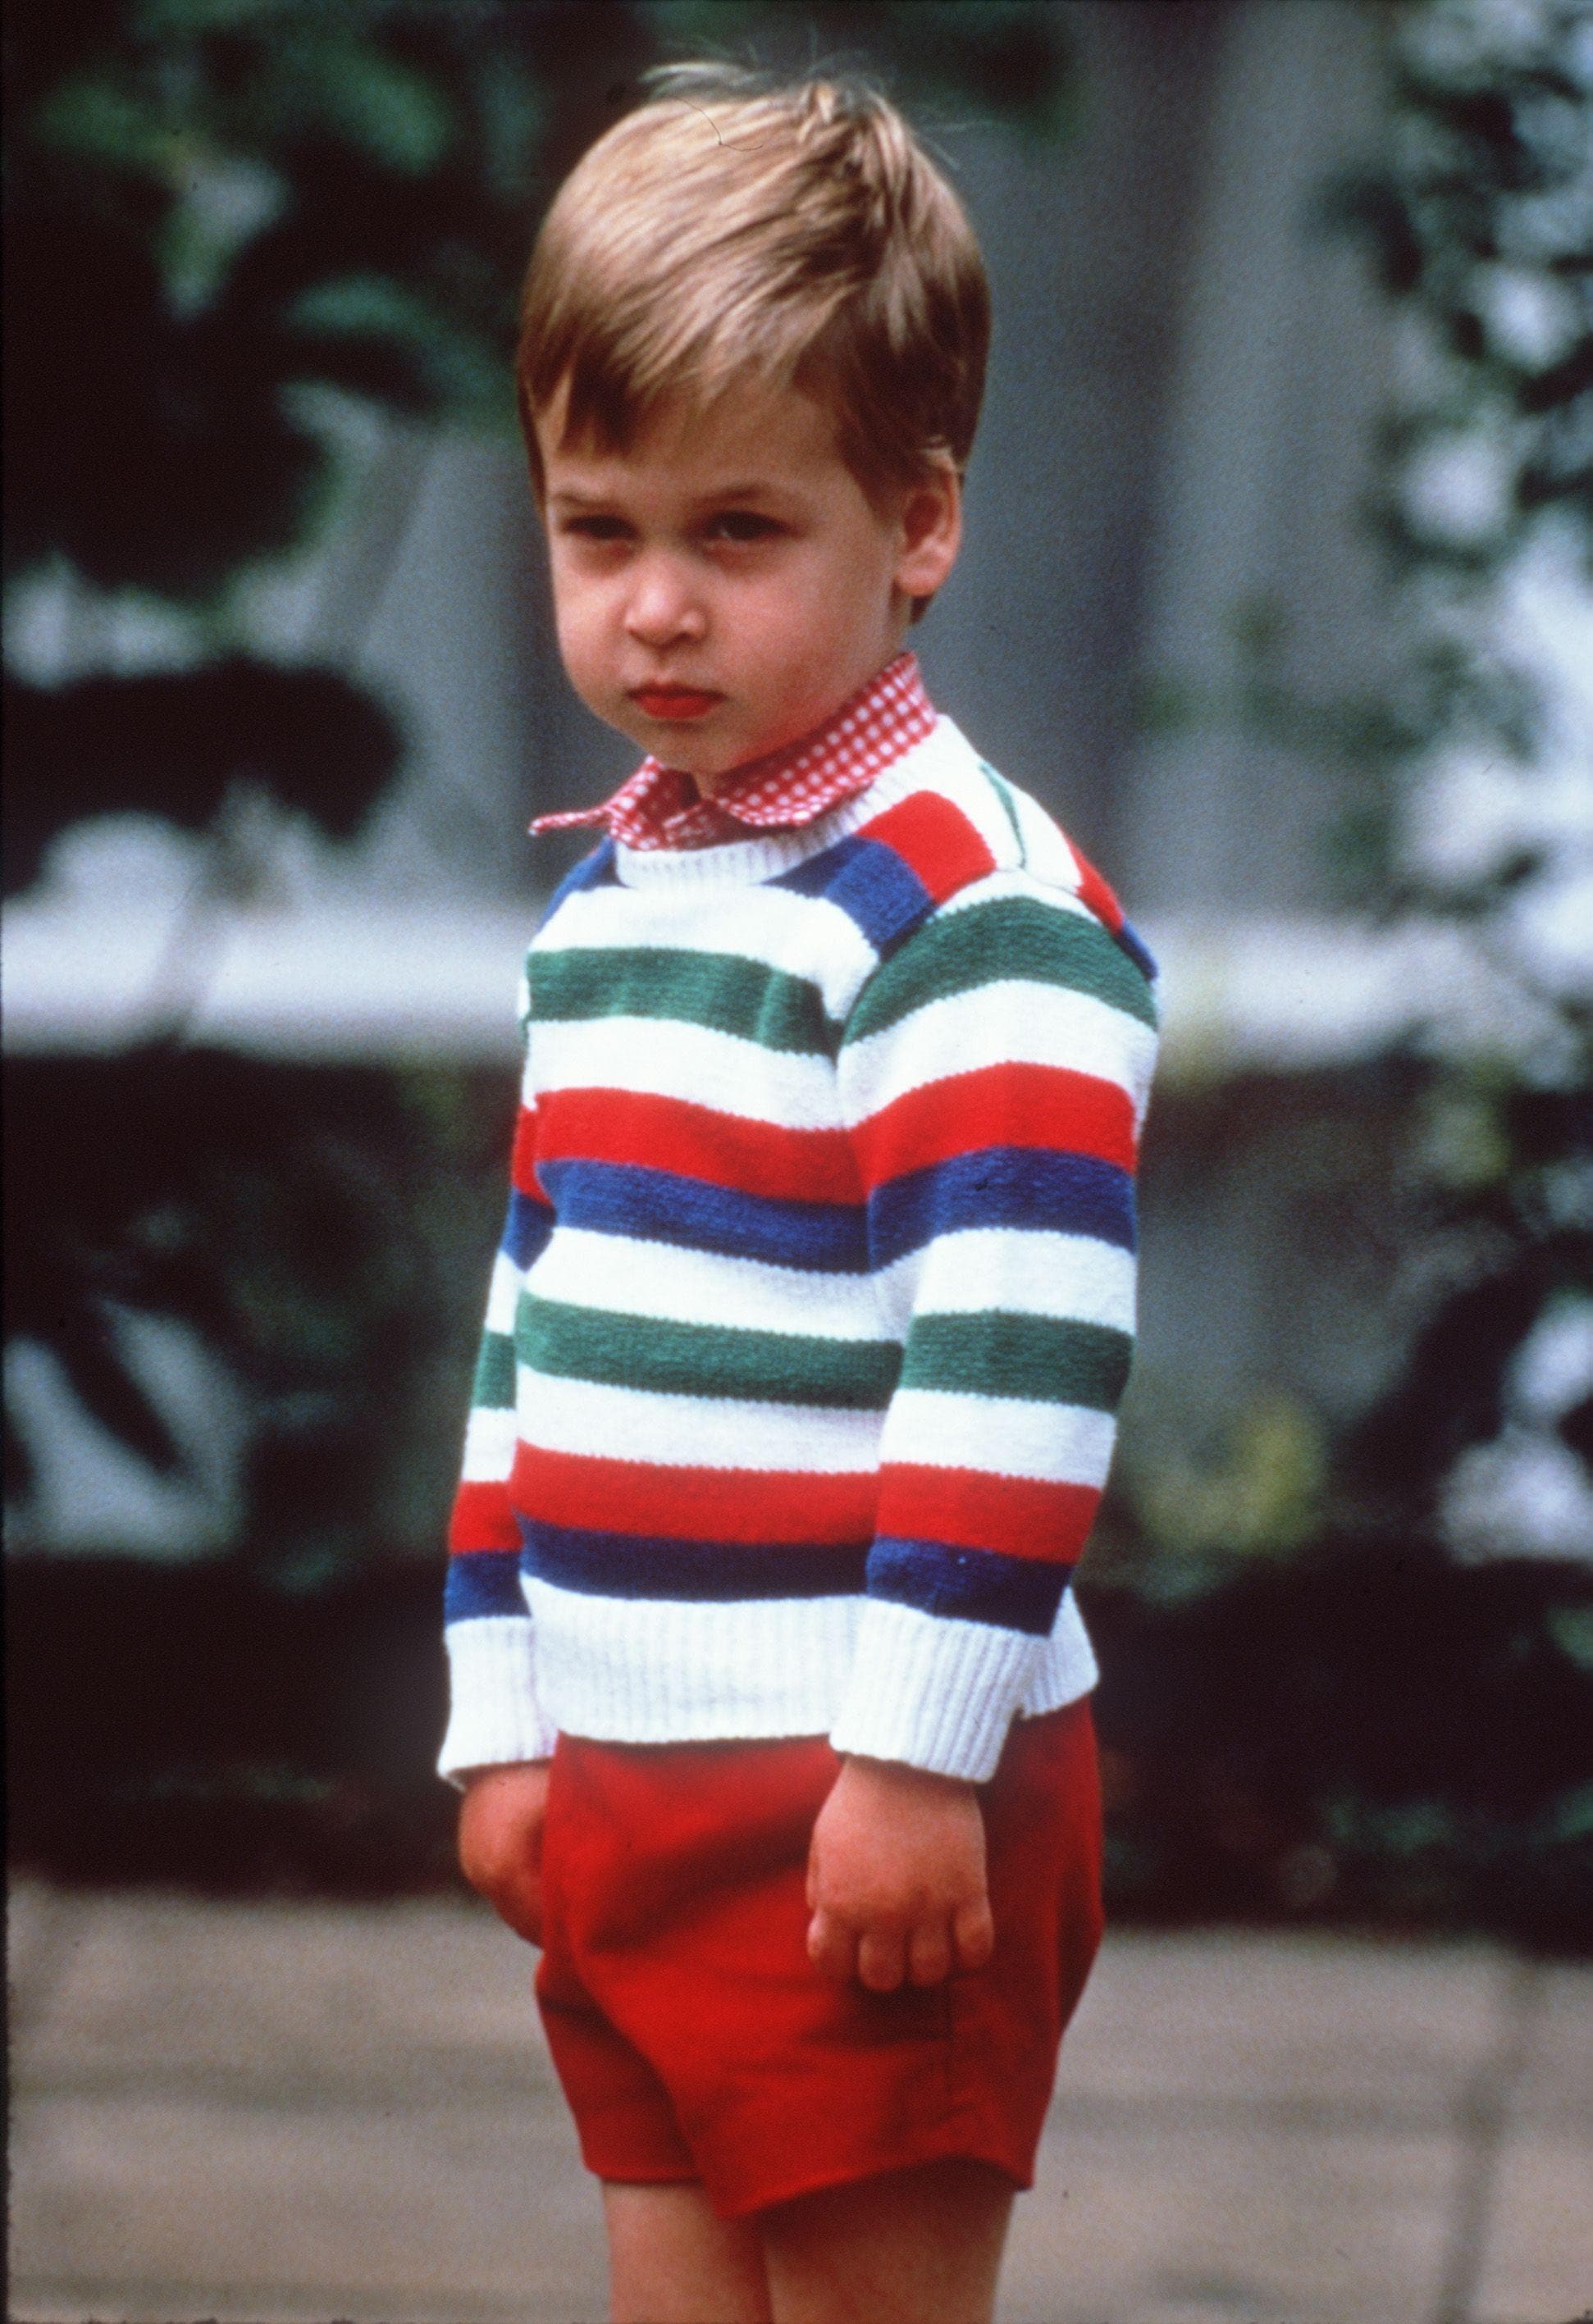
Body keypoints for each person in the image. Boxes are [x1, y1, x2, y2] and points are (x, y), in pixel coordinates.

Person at [440, 64, 1158, 2324]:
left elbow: (1019, 1367)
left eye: (737, 535)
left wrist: (917, 1761)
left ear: (916, 520)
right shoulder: (631, 890)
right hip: (633, 1765)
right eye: (597, 527)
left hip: (866, 1786)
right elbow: (532, 1305)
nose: (654, 611)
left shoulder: (970, 912)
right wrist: (503, 1701)